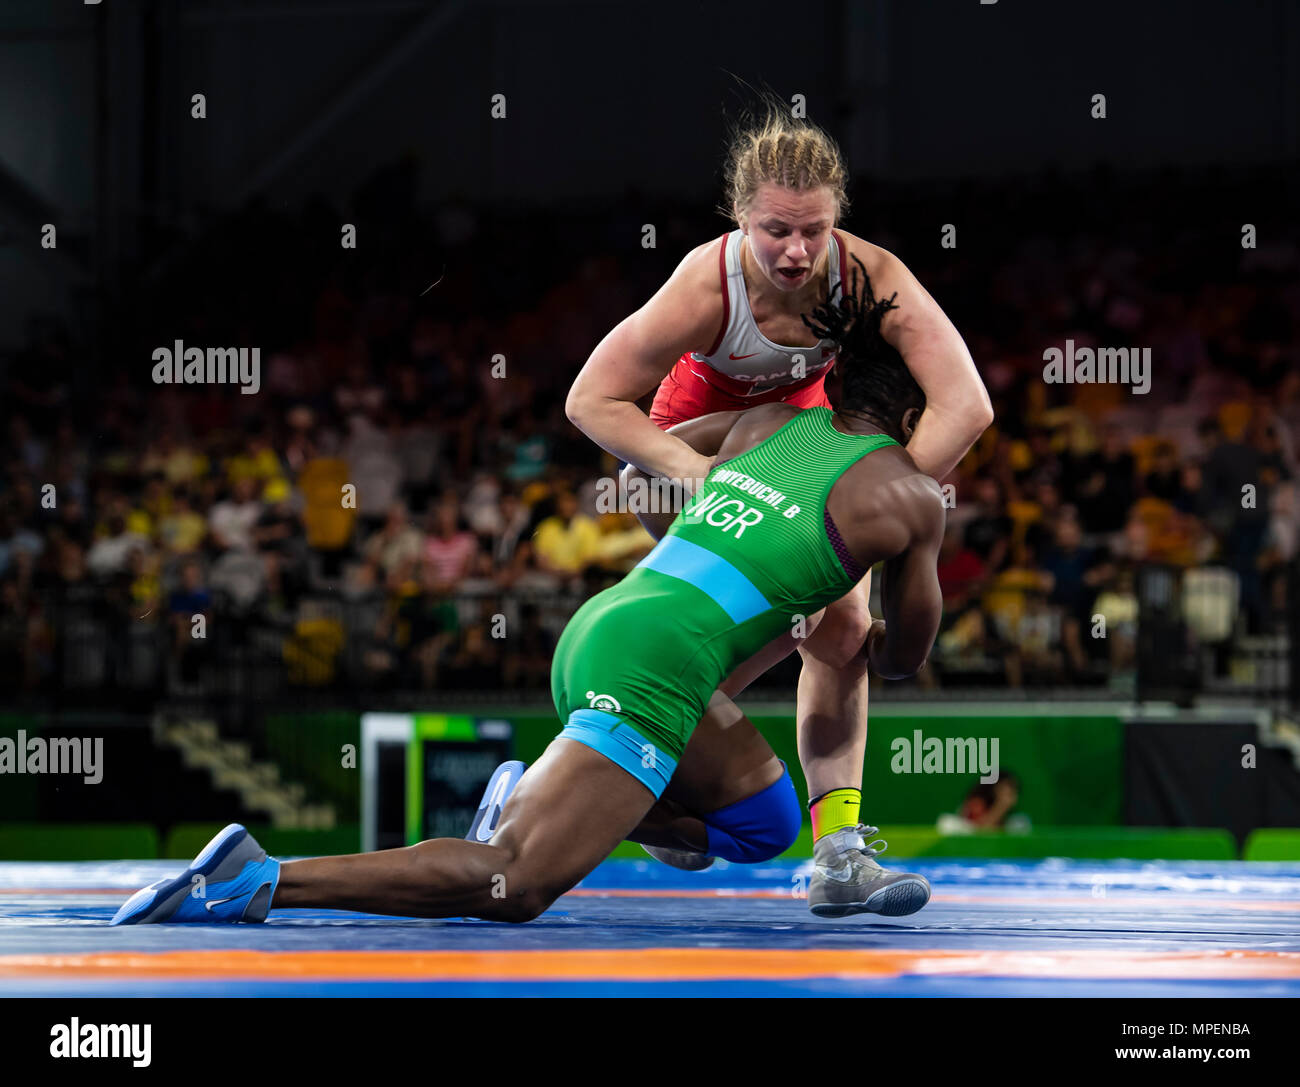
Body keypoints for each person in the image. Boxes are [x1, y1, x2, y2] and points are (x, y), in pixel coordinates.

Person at [111, 260, 945, 926]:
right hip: (656, 667)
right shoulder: (909, 496)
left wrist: (736, 535)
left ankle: (538, 786)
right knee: (514, 880)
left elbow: (635, 474)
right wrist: (845, 626)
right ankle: (257, 876)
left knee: (762, 825)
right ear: (910, 410)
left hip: (605, 623)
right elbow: (903, 659)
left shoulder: (766, 422)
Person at [564, 96, 989, 907]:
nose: (796, 253)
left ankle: (833, 854)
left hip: (795, 438)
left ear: (839, 220)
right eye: (774, 231)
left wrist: (872, 505)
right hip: (687, 444)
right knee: (751, 627)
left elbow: (966, 405)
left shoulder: (871, 277)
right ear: (738, 218)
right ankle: (641, 782)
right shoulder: (704, 282)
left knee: (839, 630)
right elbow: (591, 400)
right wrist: (686, 473)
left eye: (813, 231)